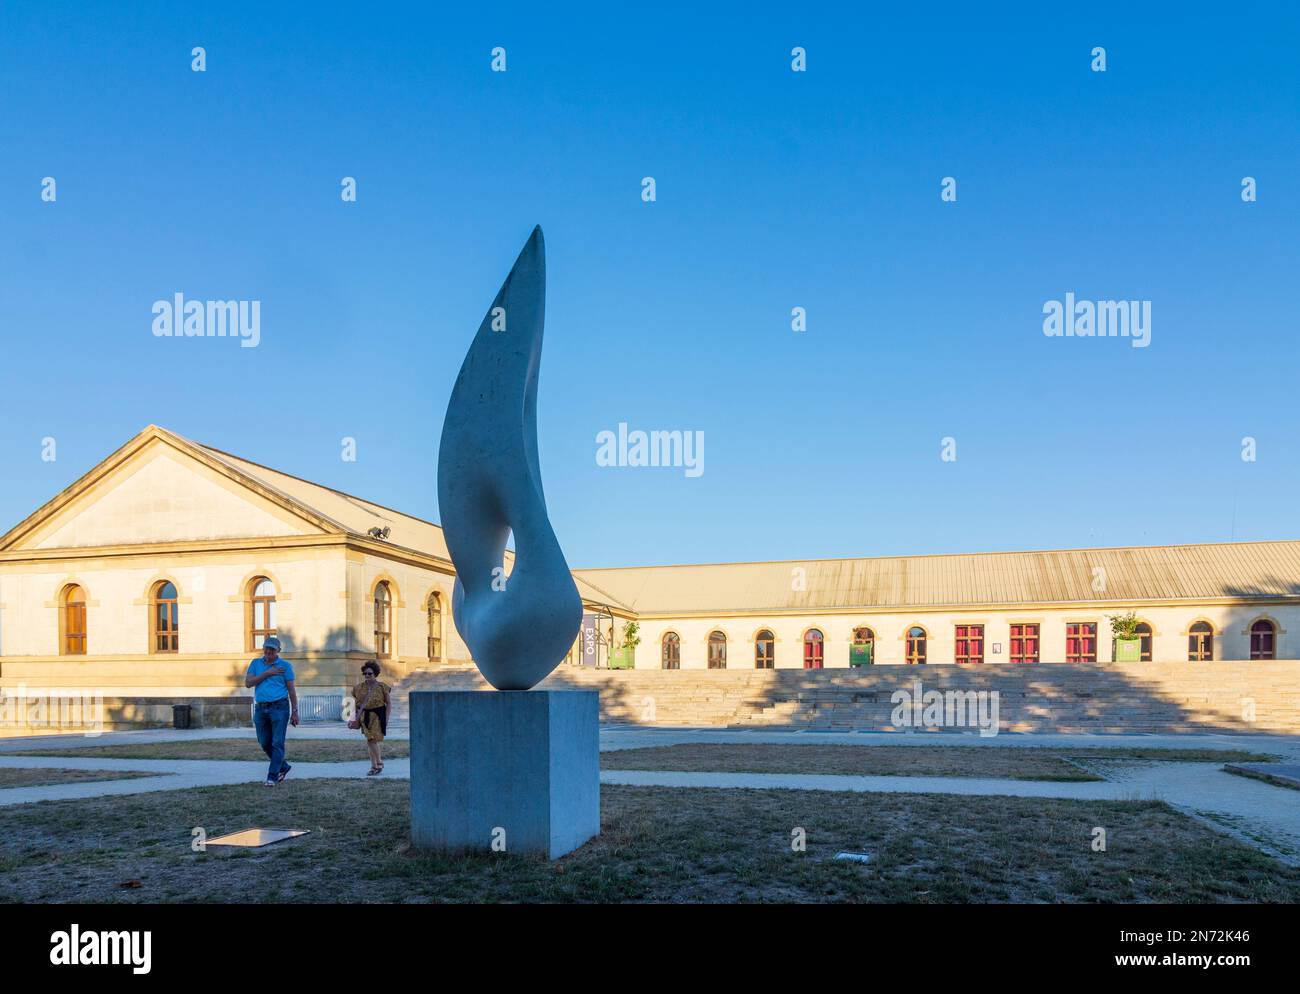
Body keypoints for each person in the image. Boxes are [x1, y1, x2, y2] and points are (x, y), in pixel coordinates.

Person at [244, 635, 299, 786]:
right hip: (261, 708)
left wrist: (295, 711)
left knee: (277, 743)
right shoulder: (255, 663)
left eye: (272, 649)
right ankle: (284, 766)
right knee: (264, 742)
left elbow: (291, 691)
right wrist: (267, 673)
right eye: (266, 648)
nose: (268, 651)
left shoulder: (285, 666)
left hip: (279, 708)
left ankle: (272, 776)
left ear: (278, 651)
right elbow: (248, 683)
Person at [350, 660, 391, 775]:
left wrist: (387, 718)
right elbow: (356, 704)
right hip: (364, 716)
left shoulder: (383, 687)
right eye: (365, 673)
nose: (367, 676)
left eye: (370, 673)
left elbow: (388, 703)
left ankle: (378, 762)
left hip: (378, 715)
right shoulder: (358, 688)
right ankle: (375, 766)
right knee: (370, 740)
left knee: (372, 739)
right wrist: (353, 717)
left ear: (375, 674)